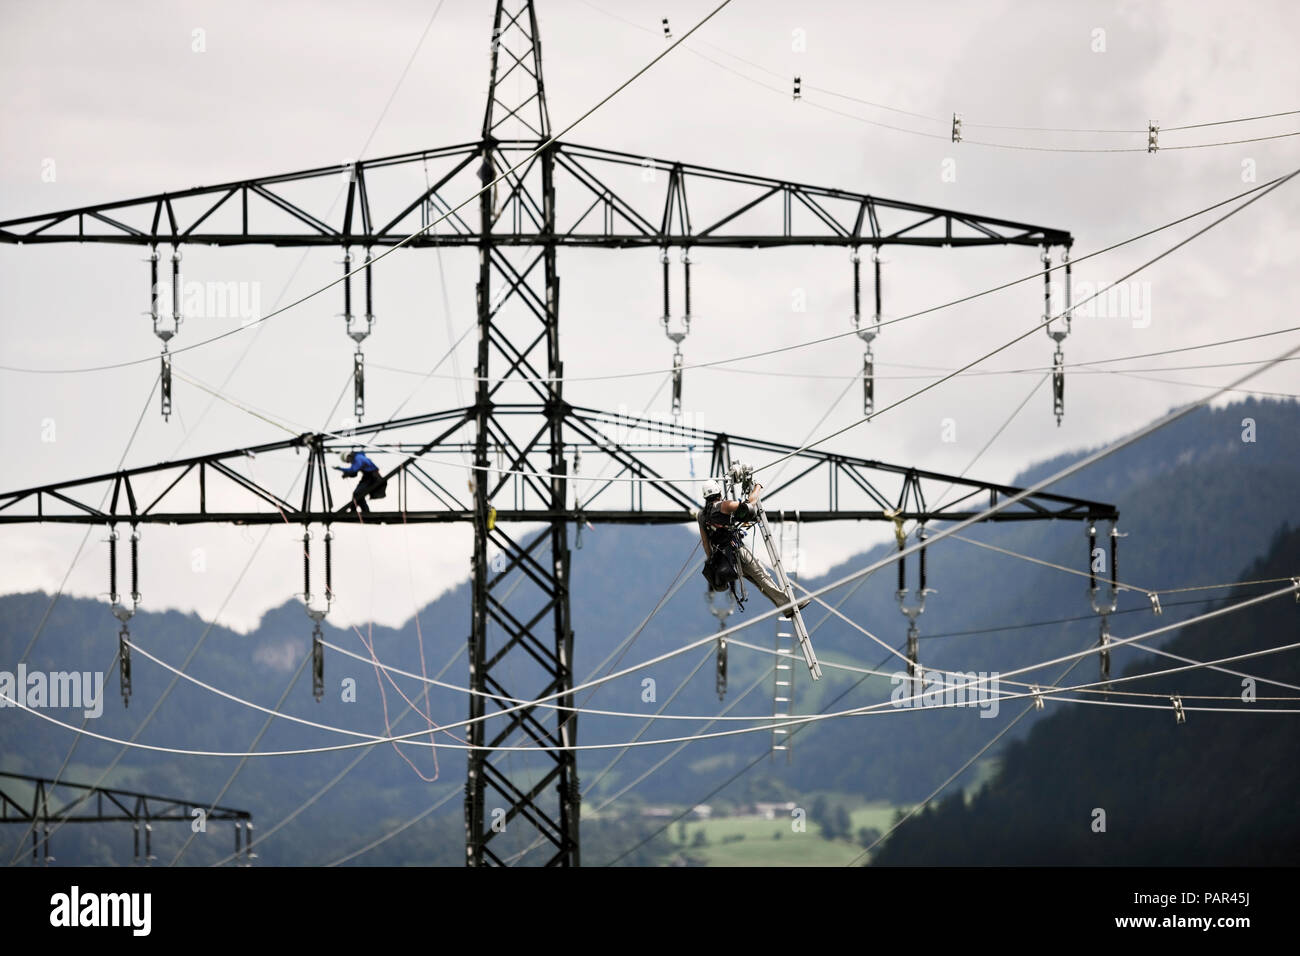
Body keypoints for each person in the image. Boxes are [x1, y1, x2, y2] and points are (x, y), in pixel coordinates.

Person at [697, 478, 808, 618]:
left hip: (724, 559)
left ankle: (786, 606)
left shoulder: (701, 515)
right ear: (718, 492)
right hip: (737, 552)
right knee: (762, 576)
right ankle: (789, 606)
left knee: (758, 581)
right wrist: (757, 487)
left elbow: (705, 543)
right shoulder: (723, 506)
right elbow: (749, 505)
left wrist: (713, 560)